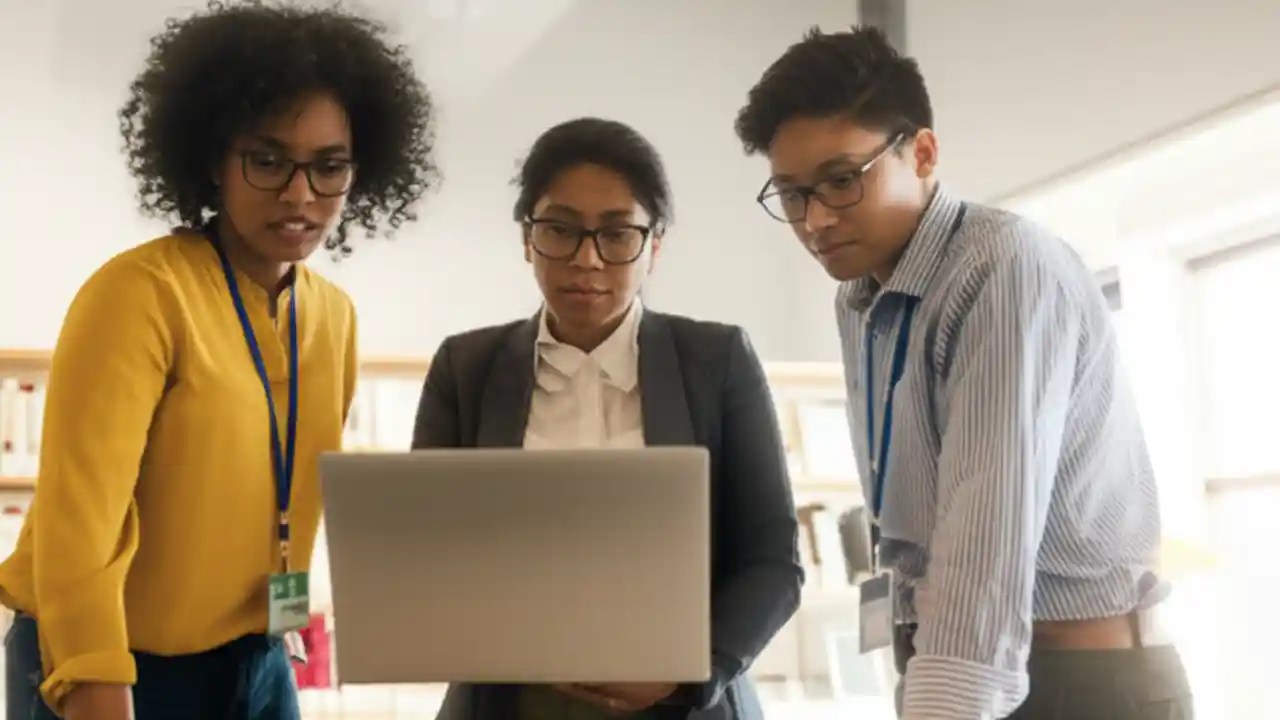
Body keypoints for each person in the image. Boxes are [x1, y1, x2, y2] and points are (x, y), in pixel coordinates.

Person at [733, 26, 1193, 720]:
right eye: (792, 194)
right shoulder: (859, 298)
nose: (815, 219)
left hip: (1077, 682)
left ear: (922, 153)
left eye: (842, 181)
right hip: (953, 660)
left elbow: (985, 540)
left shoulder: (1003, 268)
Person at [0, 3, 436, 719]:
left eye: (329, 167)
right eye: (267, 161)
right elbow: (79, 528)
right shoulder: (139, 295)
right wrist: (93, 680)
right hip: (110, 663)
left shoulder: (332, 317)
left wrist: (283, 623)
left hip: (256, 657)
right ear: (213, 160)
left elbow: (292, 500)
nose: (300, 194)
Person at [413, 117, 802, 720]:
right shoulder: (467, 367)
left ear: (655, 244)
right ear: (527, 238)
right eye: (560, 230)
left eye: (618, 234)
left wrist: (688, 672)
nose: (587, 260)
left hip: (682, 701)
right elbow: (423, 550)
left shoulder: (717, 360)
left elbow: (771, 561)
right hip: (508, 700)